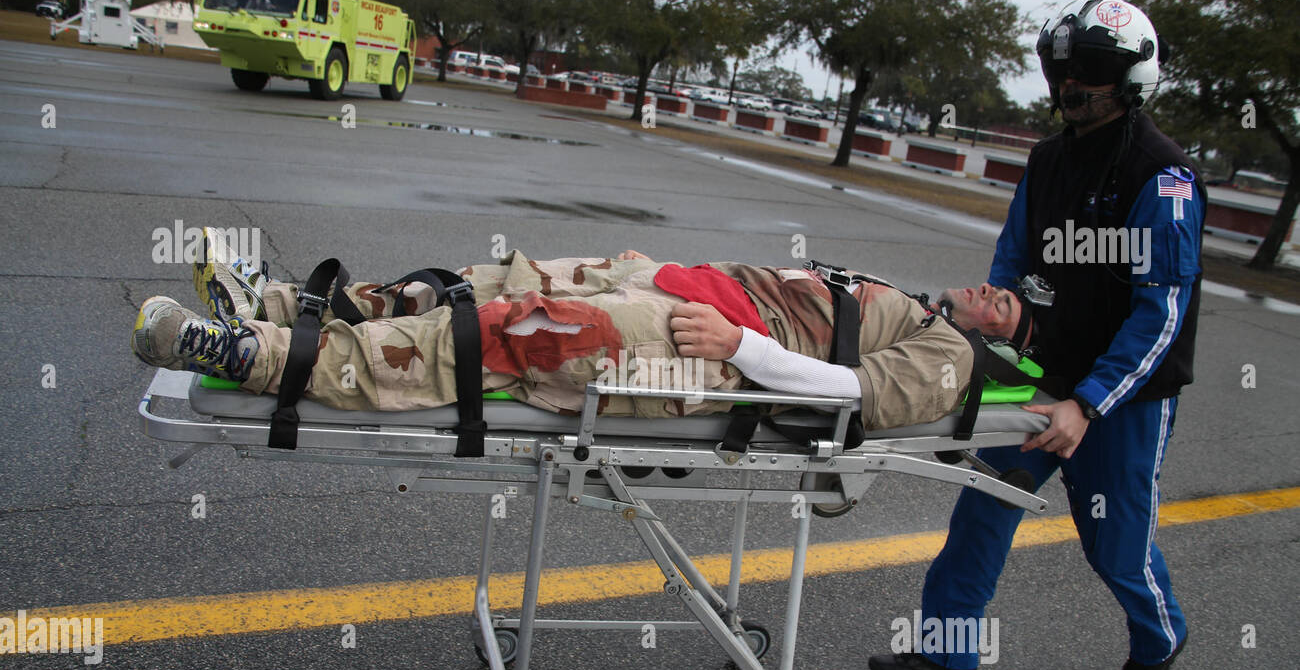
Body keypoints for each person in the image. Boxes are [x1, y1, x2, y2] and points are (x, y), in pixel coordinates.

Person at [868, 0, 1203, 670]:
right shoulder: (1048, 159)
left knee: (1113, 545)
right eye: (1062, 71)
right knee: (982, 511)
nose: (1069, 87)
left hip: (1122, 397)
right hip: (1038, 378)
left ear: (1130, 78)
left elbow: (1161, 310)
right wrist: (996, 331)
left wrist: (1086, 403)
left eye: (1087, 72)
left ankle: (1159, 638)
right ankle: (949, 656)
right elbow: (1013, 258)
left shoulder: (1164, 176)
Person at [131, 235, 1028, 430]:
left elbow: (854, 395)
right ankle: (273, 308)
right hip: (669, 287)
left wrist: (737, 348)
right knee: (475, 283)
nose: (994, 294)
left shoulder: (950, 360)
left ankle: (256, 360)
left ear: (1012, 349)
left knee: (515, 332)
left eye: (1011, 310)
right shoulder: (916, 301)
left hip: (695, 347)